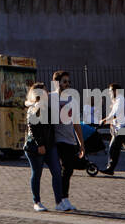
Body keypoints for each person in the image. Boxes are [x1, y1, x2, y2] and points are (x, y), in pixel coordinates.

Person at [23, 82, 62, 211]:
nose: (46, 93)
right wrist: (40, 144)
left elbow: (52, 126)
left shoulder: (48, 107)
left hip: (50, 145)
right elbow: (32, 127)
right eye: (44, 91)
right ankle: (37, 202)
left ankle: (59, 202)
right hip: (35, 146)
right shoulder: (33, 108)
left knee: (57, 171)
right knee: (37, 173)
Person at [51, 70, 86, 212]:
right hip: (58, 140)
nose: (67, 84)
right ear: (57, 83)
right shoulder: (50, 98)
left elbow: (76, 124)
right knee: (64, 170)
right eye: (64, 81)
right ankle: (60, 200)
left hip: (71, 141)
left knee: (69, 170)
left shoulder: (73, 100)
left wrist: (82, 144)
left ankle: (64, 198)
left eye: (68, 82)